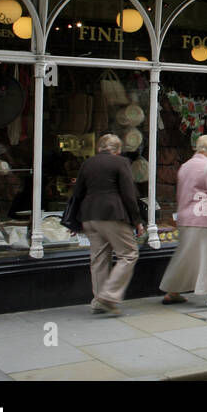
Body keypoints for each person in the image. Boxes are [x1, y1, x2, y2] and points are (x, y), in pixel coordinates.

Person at [67, 133, 143, 314]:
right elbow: (128, 194)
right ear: (117, 150)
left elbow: (77, 193)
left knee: (99, 258)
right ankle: (108, 296)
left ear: (99, 148)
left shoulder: (88, 163)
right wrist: (137, 220)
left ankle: (99, 300)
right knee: (129, 253)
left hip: (89, 216)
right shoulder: (121, 162)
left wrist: (74, 222)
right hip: (112, 214)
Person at [159, 134, 207, 307]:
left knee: (186, 257)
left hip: (185, 217)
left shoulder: (185, 166)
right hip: (205, 218)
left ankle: (173, 292)